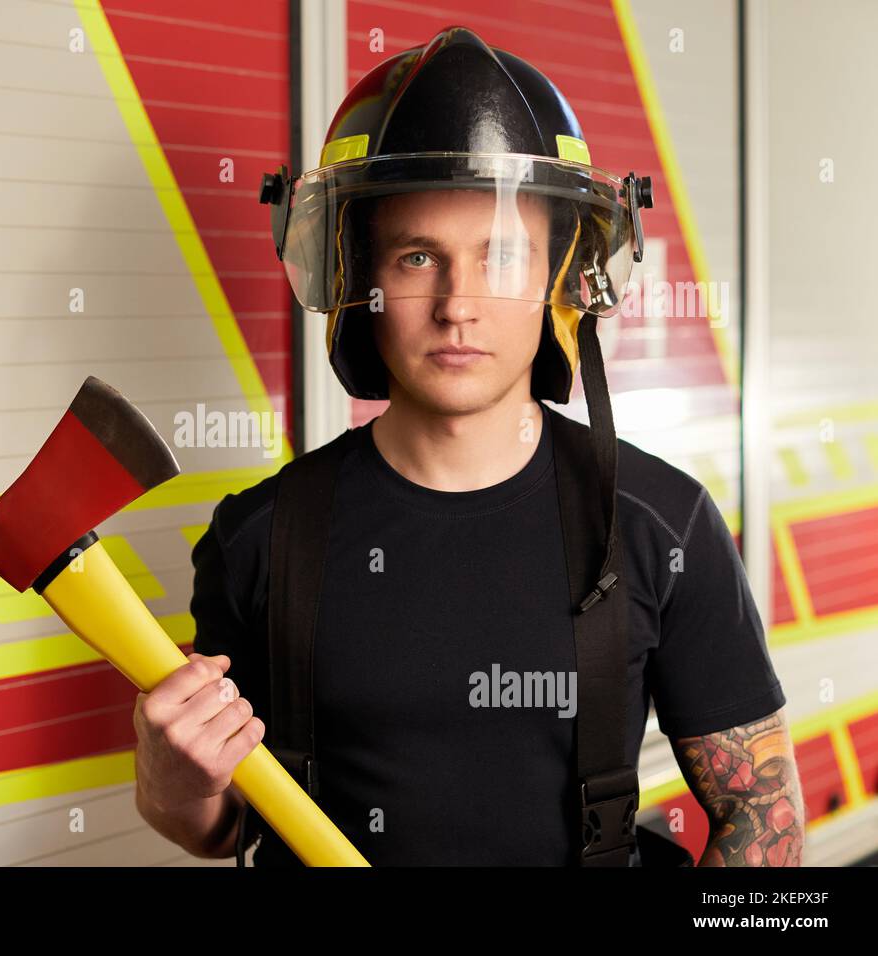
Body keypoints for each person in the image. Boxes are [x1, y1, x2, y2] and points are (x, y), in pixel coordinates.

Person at [133, 25, 803, 866]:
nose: (459, 304)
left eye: (505, 258)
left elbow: (759, 811)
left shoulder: (660, 527)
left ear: (563, 279)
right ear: (357, 280)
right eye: (418, 257)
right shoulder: (261, 539)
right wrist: (171, 782)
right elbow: (229, 827)